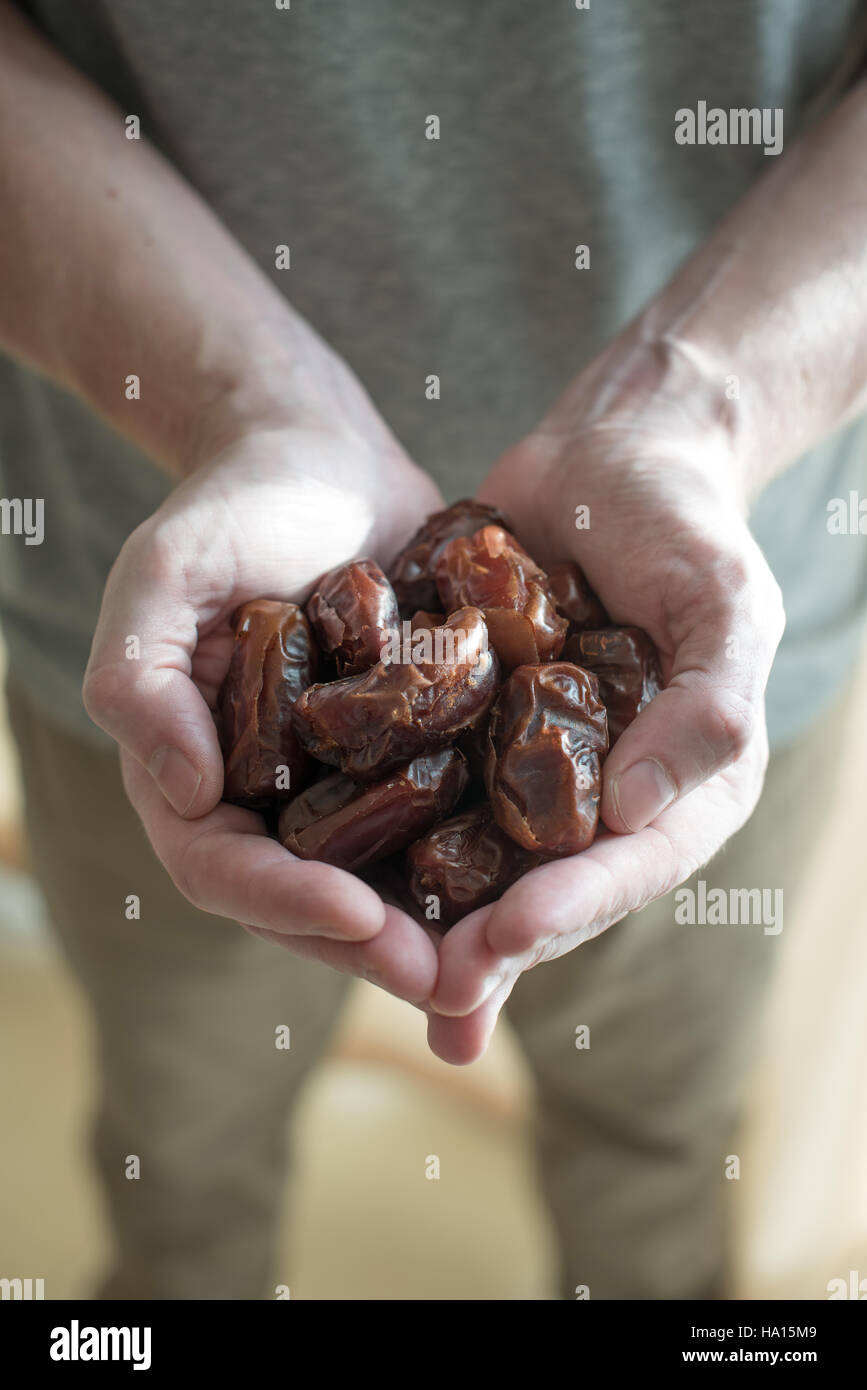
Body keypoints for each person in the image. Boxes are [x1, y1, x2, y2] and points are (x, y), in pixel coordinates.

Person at [0, 0, 865, 1300]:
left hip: (717, 616)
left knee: (659, 1145)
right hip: (161, 626)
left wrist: (702, 405)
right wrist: (235, 397)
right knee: (179, 1145)